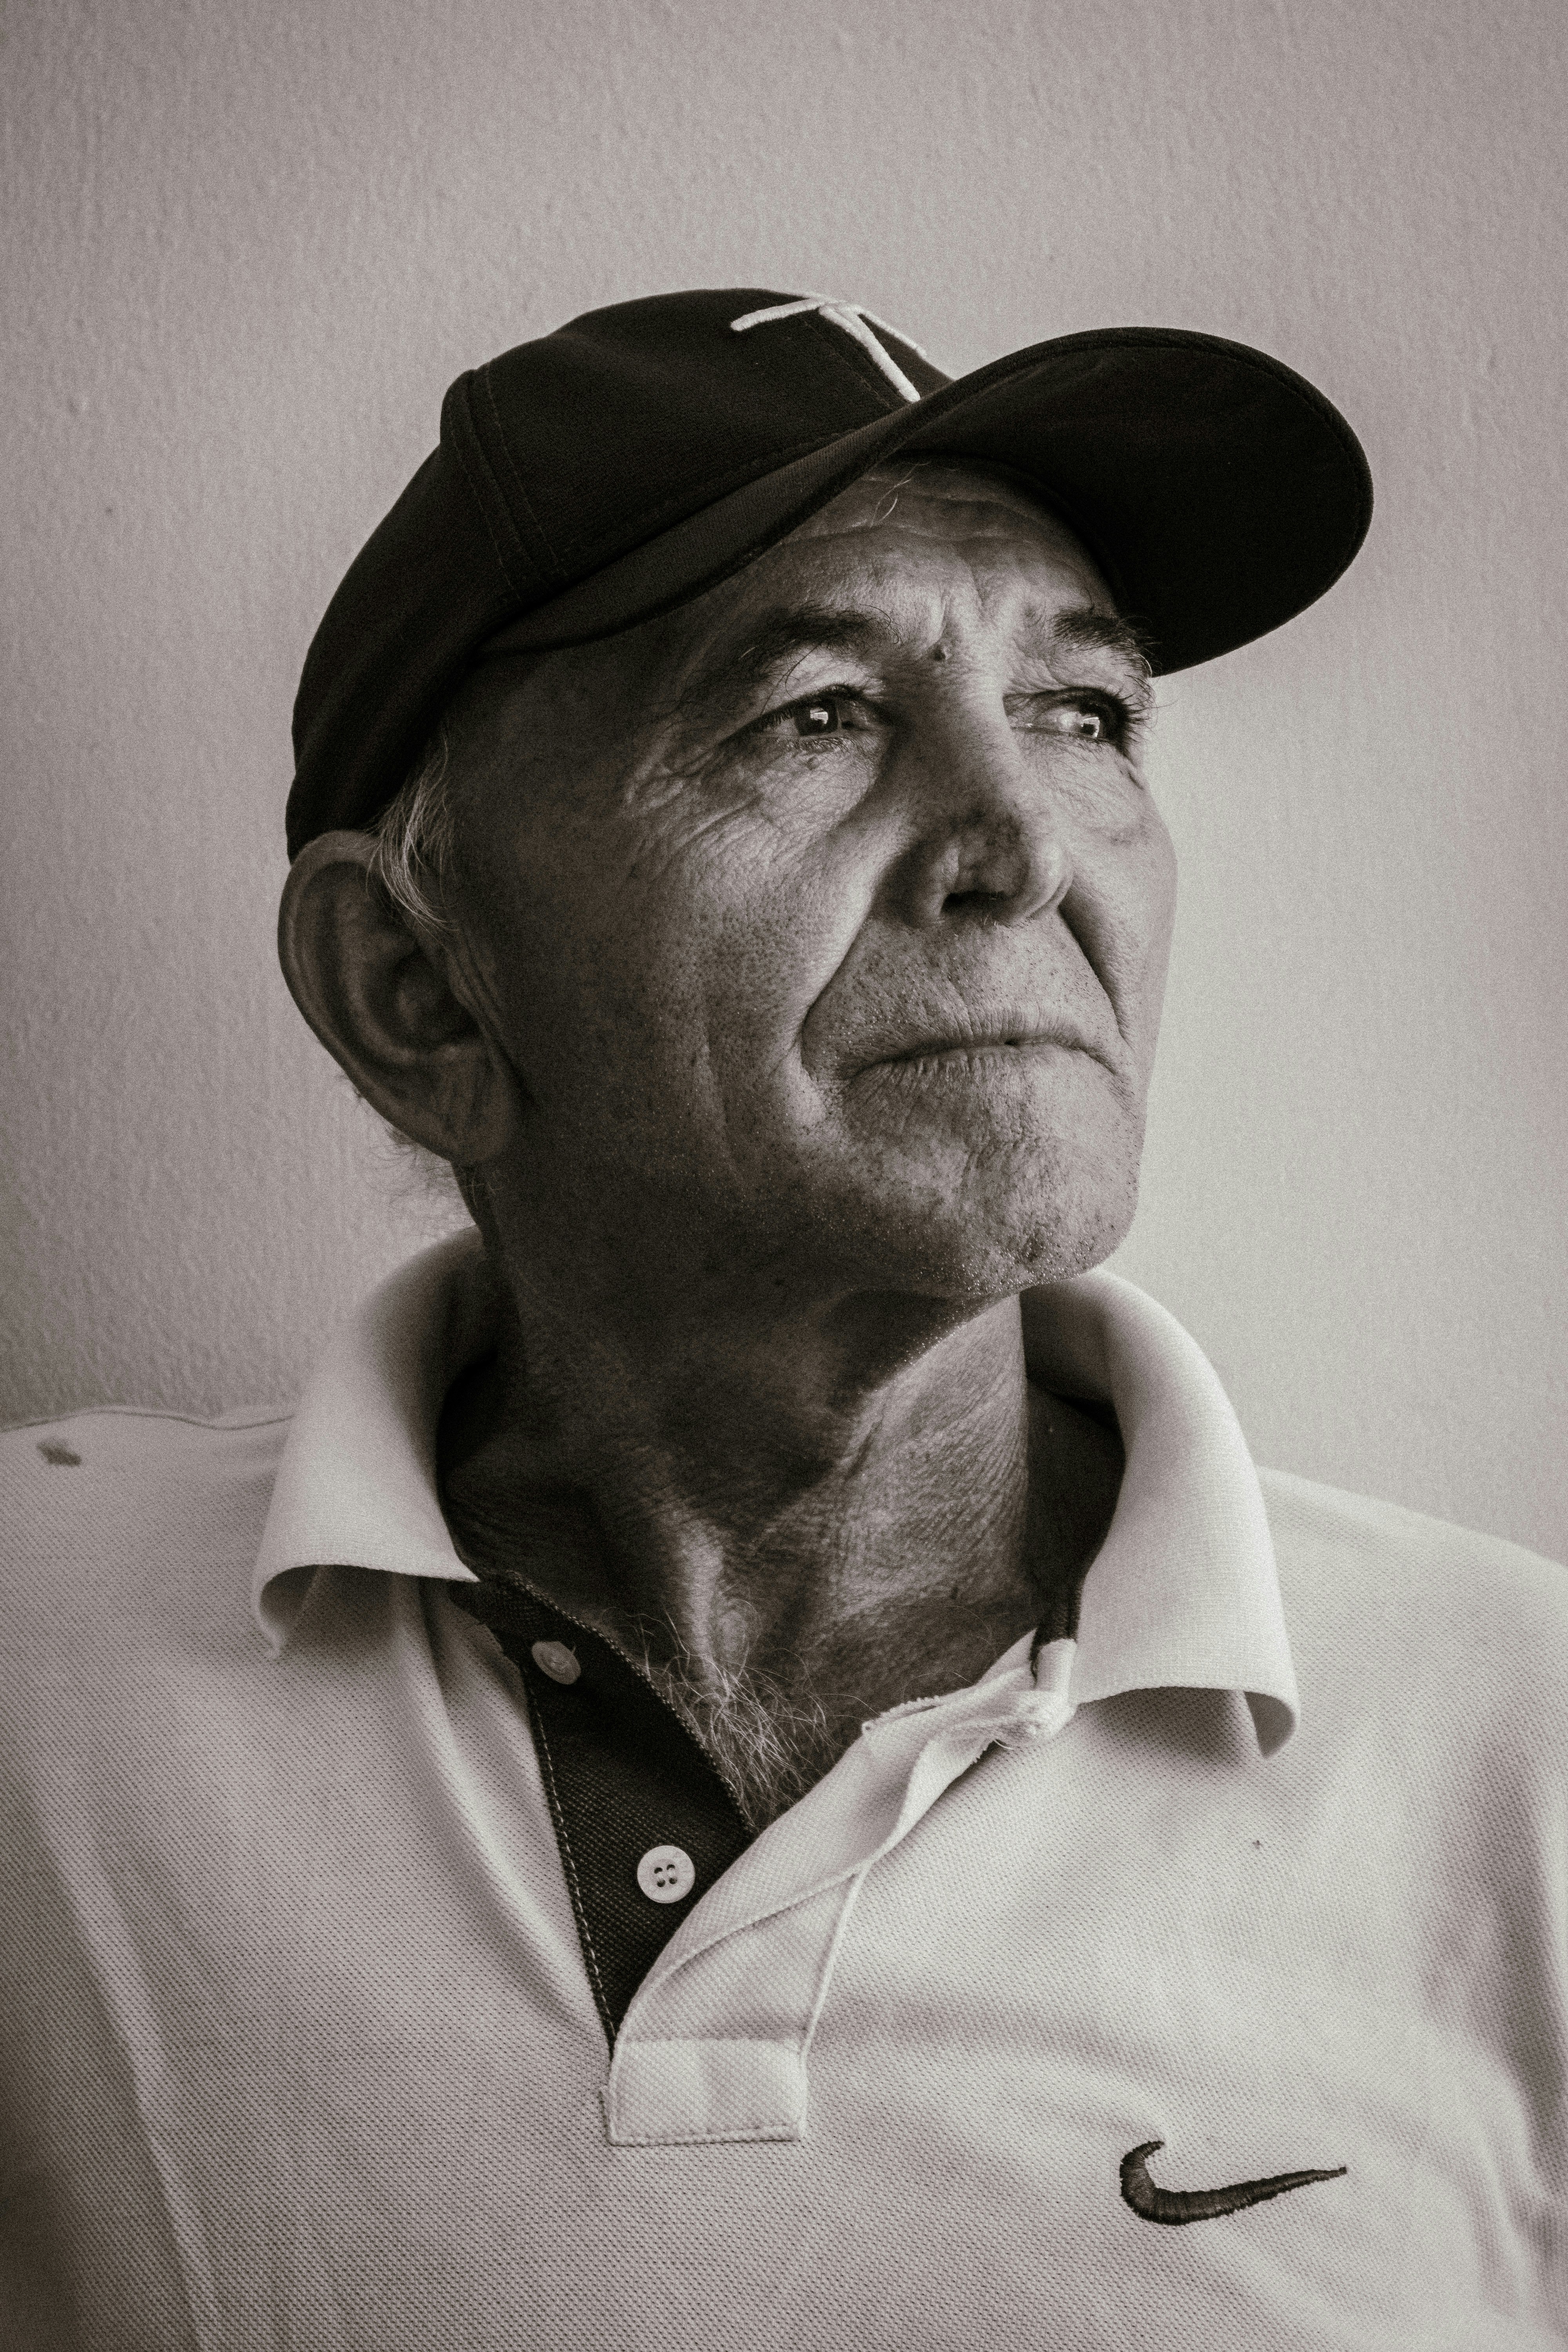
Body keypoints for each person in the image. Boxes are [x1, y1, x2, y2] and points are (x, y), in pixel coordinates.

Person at [2, 289, 1563, 2351]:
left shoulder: (1528, 1748)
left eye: (1088, 713)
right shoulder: (35, 1675)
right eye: (816, 713)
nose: (1025, 848)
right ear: (421, 993)